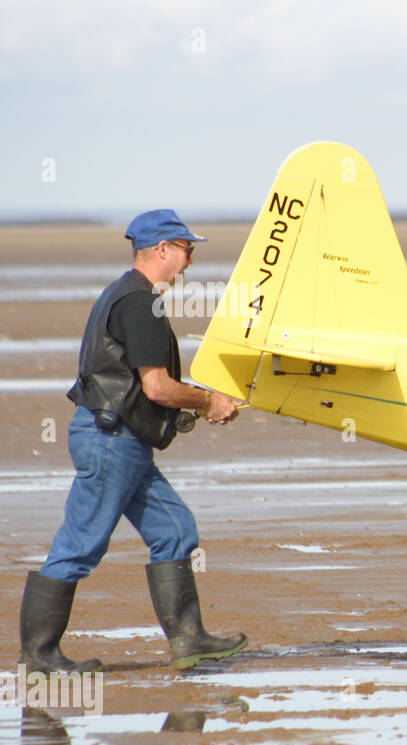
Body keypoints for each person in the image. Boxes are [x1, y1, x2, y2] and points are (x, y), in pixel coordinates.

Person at [18, 209, 249, 674]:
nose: (190, 262)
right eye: (187, 250)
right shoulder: (141, 303)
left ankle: (190, 641)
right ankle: (39, 657)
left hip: (122, 440)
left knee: (175, 529)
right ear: (162, 249)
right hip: (111, 441)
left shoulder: (122, 293)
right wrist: (208, 402)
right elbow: (158, 388)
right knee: (81, 542)